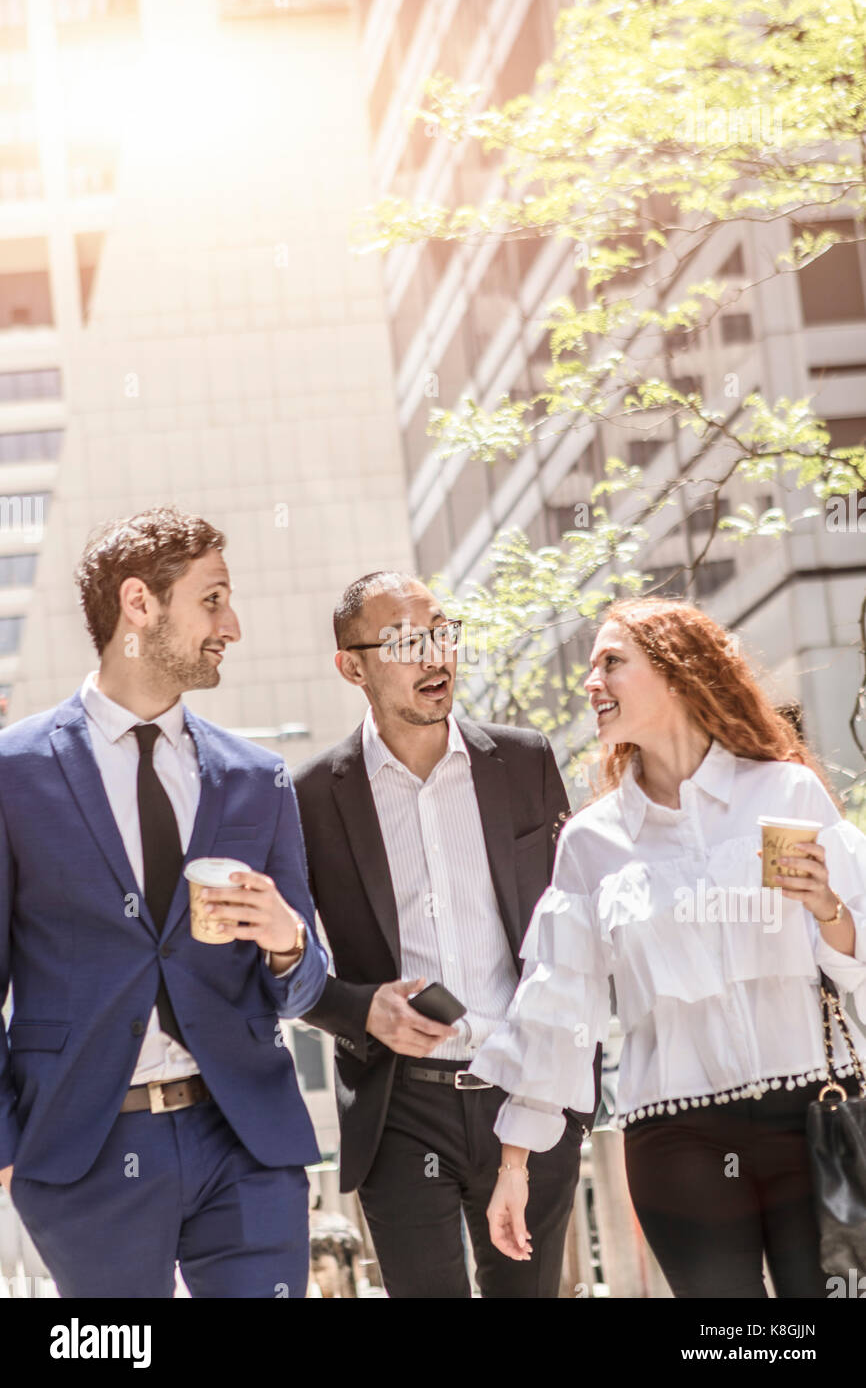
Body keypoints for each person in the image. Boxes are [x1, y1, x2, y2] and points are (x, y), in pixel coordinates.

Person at [472, 596, 866, 1299]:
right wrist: (514, 1165)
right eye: (590, 669)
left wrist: (827, 907)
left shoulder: (785, 793)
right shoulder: (592, 842)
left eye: (612, 663)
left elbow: (854, 952)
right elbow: (558, 1007)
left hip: (811, 1114)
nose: (591, 683)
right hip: (675, 1136)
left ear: (679, 674)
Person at [0, 507, 328, 1298]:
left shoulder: (257, 778)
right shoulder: (14, 775)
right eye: (213, 599)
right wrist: (9, 1146)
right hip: (84, 1150)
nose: (233, 625)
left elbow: (305, 980)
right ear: (139, 605)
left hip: (244, 1137)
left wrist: (288, 943)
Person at [293, 571, 601, 1298]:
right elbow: (286, 964)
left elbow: (573, 933)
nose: (435, 656)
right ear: (352, 666)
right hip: (398, 1106)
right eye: (405, 641)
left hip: (524, 1092)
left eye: (440, 632)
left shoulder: (524, 762)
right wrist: (361, 1010)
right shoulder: (310, 797)